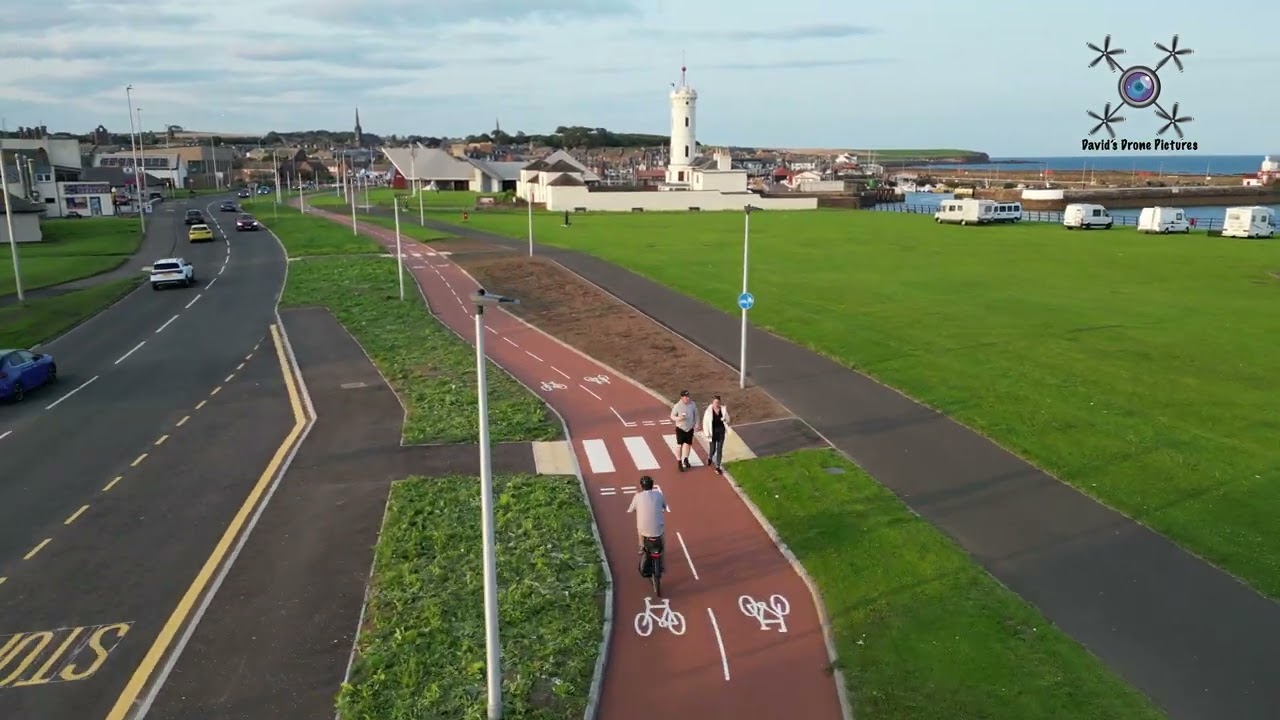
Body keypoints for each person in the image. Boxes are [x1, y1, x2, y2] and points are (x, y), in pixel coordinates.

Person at [627, 475, 667, 553]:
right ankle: (662, 548)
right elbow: (664, 506)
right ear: (652, 485)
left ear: (641, 486)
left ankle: (641, 547)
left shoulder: (637, 496)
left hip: (644, 529)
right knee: (661, 533)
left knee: (640, 532)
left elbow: (631, 509)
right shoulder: (659, 494)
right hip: (658, 528)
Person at [669, 390, 699, 471]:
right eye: (685, 397)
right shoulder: (677, 406)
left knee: (688, 444)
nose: (687, 398)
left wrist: (697, 424)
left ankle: (686, 459)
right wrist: (679, 418)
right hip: (680, 427)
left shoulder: (692, 404)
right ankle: (679, 461)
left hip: (689, 427)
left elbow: (696, 414)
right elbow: (672, 416)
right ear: (681, 397)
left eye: (688, 396)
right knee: (679, 445)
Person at [702, 394, 731, 474]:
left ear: (720, 402)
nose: (716, 404)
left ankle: (718, 466)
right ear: (712, 402)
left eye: (718, 402)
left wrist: (725, 419)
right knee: (713, 449)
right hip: (712, 433)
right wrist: (706, 433)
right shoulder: (708, 411)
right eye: (715, 402)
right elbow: (705, 423)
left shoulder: (723, 410)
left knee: (719, 449)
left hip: (721, 432)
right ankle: (710, 457)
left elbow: (728, 420)